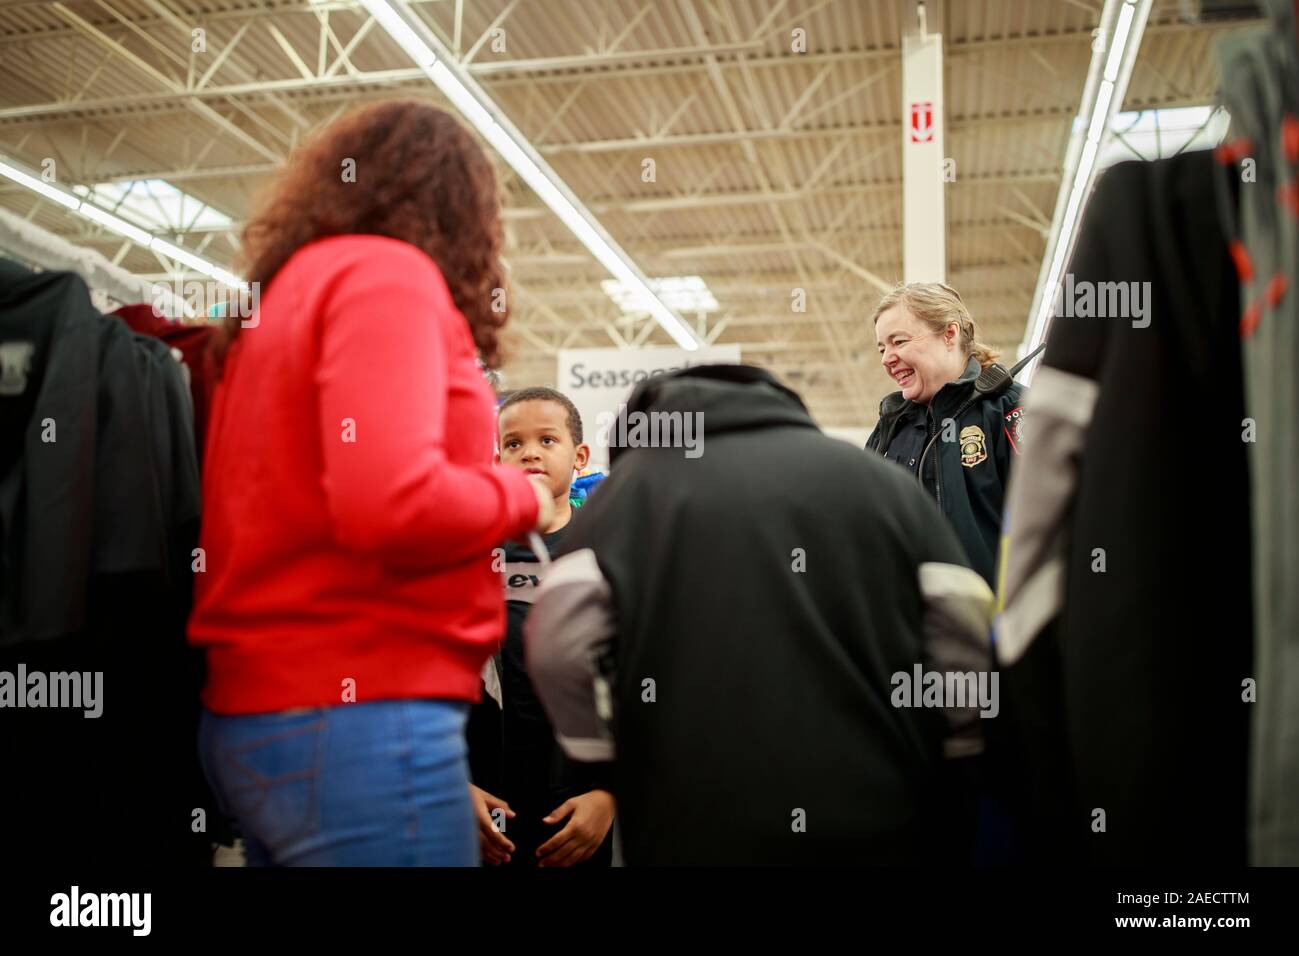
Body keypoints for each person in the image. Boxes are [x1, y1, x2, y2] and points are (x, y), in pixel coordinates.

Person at [189, 101, 554, 866]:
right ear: (460, 205)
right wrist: (519, 495)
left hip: (262, 713)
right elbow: (391, 502)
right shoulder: (388, 277)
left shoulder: (283, 298)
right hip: (360, 713)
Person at [524, 365, 995, 865]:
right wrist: (960, 749)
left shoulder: (622, 502)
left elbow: (558, 641)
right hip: (882, 816)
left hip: (690, 823)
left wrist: (600, 754)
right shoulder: (880, 483)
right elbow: (963, 618)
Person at [467, 387, 616, 868]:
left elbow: (643, 682)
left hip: (579, 809)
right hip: (486, 807)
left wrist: (610, 794)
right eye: (513, 444)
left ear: (580, 455)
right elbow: (431, 678)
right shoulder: (468, 558)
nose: (529, 452)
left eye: (547, 440)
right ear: (496, 460)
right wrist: (454, 785)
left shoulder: (610, 554)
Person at [866, 282, 1026, 588]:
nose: (887, 358)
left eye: (898, 342)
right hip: (905, 629)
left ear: (949, 334)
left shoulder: (1011, 411)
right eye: (882, 348)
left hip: (995, 625)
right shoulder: (888, 429)